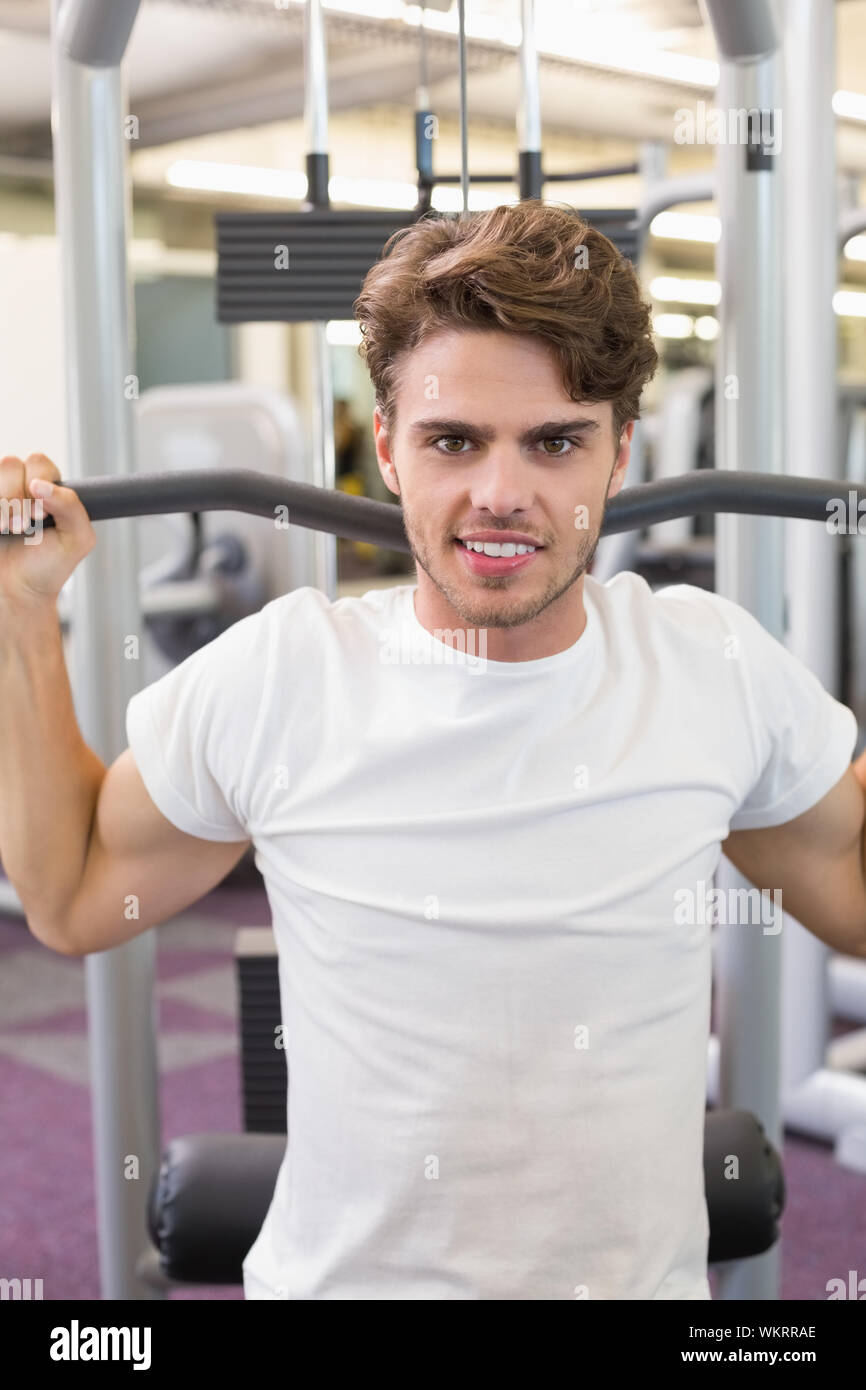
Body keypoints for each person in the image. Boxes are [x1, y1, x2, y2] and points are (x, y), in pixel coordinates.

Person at [2, 200, 865, 1302]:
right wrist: (19, 608)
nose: (500, 495)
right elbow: (74, 894)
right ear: (389, 450)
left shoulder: (713, 666)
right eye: (453, 440)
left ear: (618, 456)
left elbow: (853, 891)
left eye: (555, 441)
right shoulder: (284, 674)